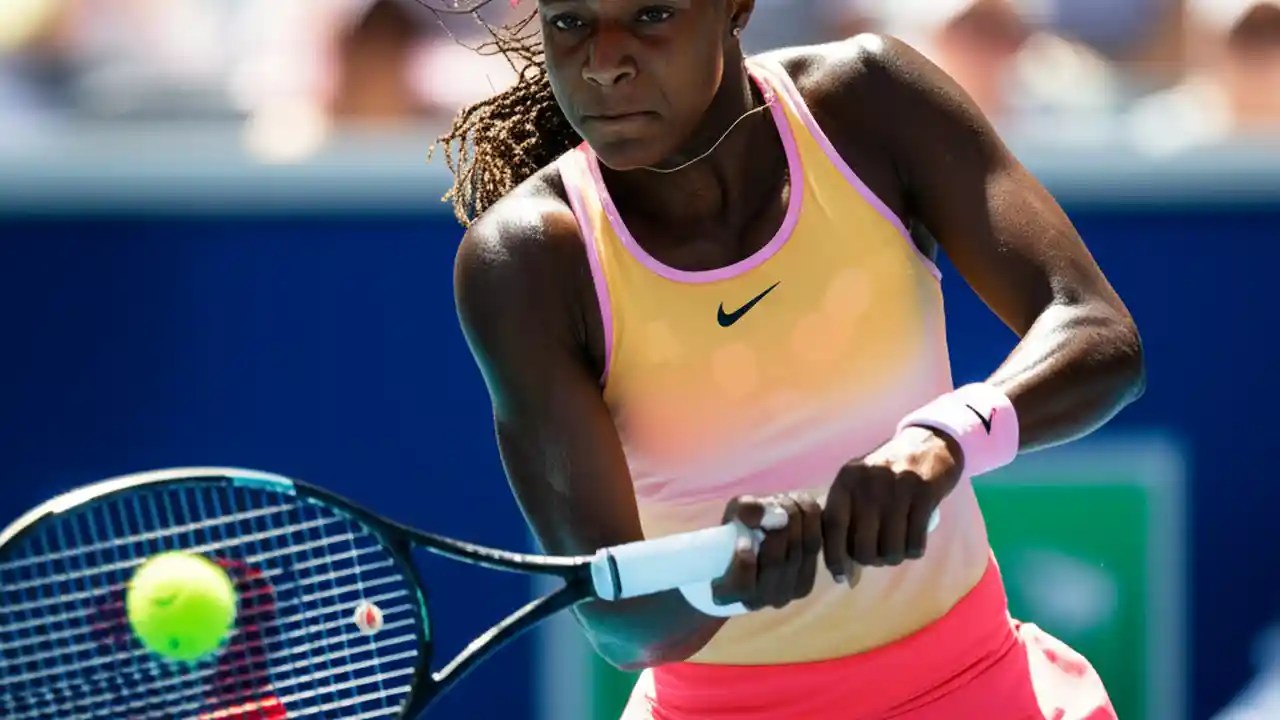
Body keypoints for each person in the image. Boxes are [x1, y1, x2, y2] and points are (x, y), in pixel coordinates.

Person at [440, 1, 1145, 717]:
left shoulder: (870, 101)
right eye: (569, 22)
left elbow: (1097, 332)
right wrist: (728, 575)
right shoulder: (524, 260)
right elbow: (619, 624)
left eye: (651, 13)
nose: (603, 60)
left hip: (981, 689)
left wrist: (945, 437)